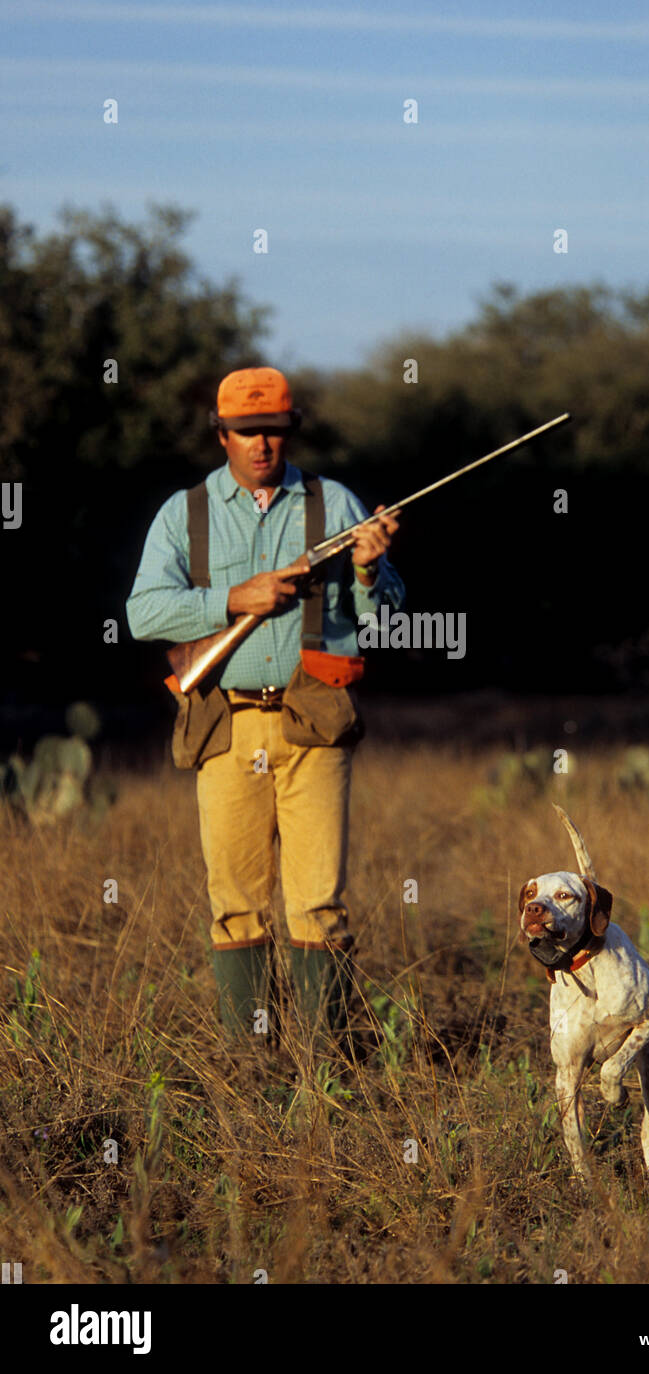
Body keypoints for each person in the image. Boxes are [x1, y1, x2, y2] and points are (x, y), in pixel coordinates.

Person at [126, 366, 404, 1050]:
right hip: (224, 725)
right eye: (246, 431)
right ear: (221, 434)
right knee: (236, 904)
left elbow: (389, 610)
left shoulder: (335, 503)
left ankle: (325, 1066)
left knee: (319, 902)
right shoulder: (182, 513)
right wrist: (233, 599)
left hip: (316, 724)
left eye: (274, 431)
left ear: (290, 432)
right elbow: (141, 614)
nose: (261, 445)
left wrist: (369, 568)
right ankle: (251, 1062)